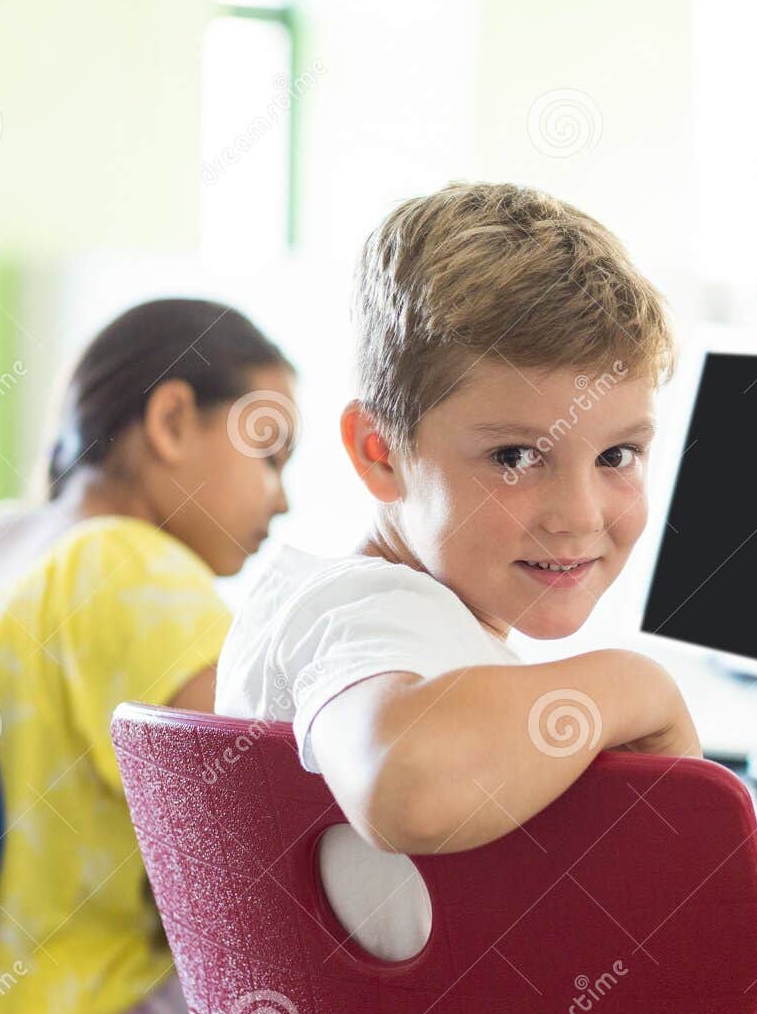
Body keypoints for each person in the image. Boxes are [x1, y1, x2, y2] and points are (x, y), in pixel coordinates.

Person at [215, 182, 700, 963]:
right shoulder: (361, 613)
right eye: (515, 456)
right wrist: (634, 685)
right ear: (380, 452)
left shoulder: (396, 622)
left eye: (618, 456)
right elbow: (404, 780)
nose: (578, 514)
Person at [0, 299, 295, 1014]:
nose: (283, 499)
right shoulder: (128, 564)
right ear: (170, 419)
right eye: (269, 453)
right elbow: (267, 826)